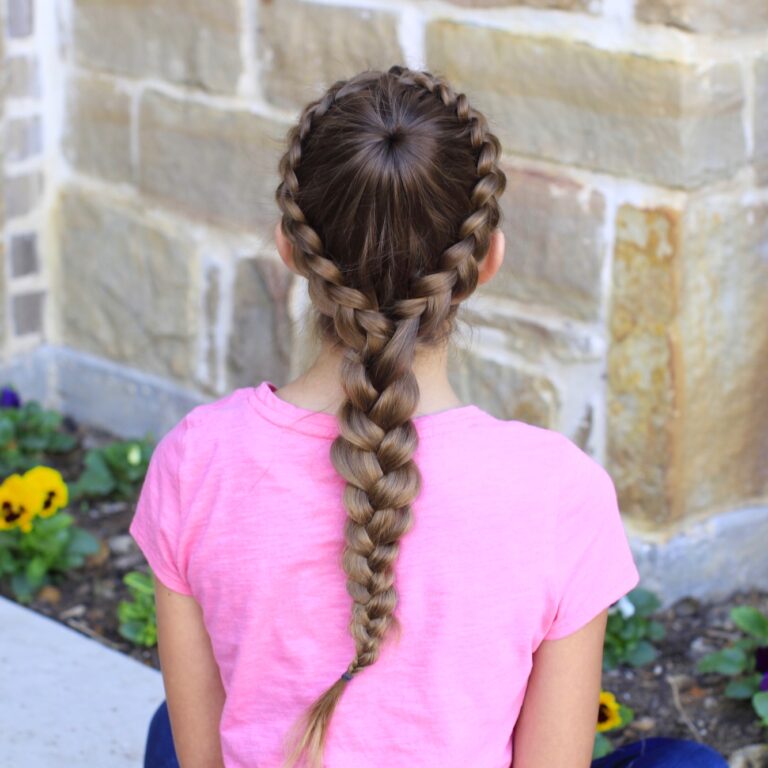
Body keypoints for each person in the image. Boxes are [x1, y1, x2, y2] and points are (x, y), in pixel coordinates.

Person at [129, 65, 729, 768]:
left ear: (290, 250)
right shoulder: (560, 494)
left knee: (173, 722)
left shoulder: (197, 458)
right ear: (485, 261)